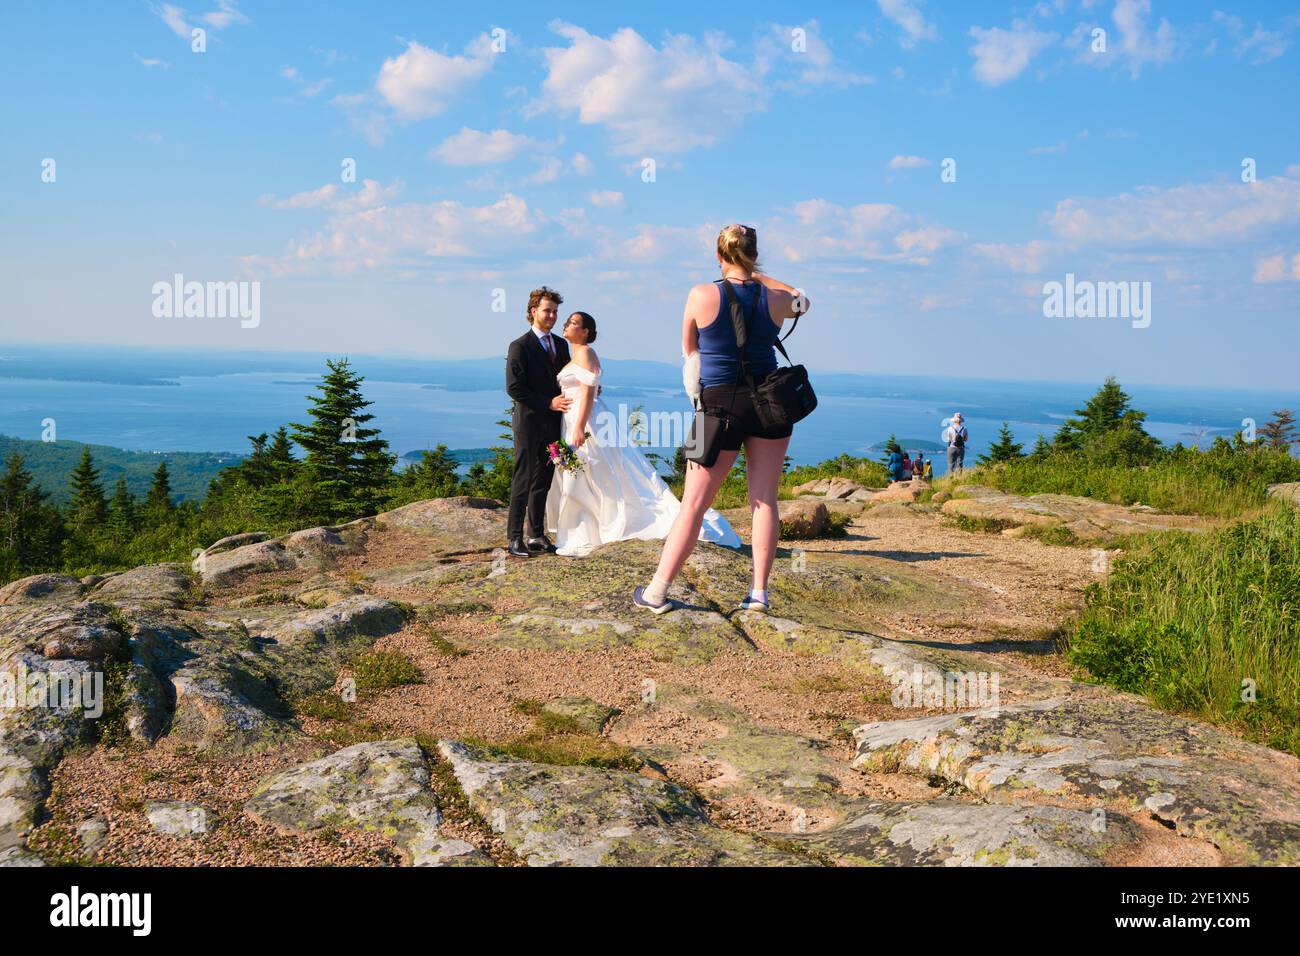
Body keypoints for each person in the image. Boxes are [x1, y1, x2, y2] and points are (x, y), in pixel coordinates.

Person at [634, 223, 811, 615]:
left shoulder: (701, 294)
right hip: (770, 404)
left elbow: (689, 348)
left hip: (717, 407)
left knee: (694, 504)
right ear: (754, 254)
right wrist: (757, 274)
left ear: (719, 256)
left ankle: (657, 591)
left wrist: (740, 271)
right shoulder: (777, 298)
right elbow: (804, 300)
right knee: (764, 500)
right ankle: (759, 595)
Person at [545, 311, 740, 556]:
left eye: (573, 322)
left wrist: (578, 428)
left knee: (591, 473)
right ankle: (586, 529)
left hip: (587, 422)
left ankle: (587, 532)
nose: (566, 324)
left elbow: (586, 393)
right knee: (590, 474)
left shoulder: (584, 352)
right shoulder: (576, 355)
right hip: (577, 418)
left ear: (585, 332)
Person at [504, 287, 572, 558]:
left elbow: (567, 377)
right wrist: (548, 402)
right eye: (547, 310)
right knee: (523, 478)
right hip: (530, 422)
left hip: (554, 423)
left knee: (544, 478)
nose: (552, 316)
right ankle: (514, 538)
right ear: (533, 312)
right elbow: (514, 388)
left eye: (555, 311)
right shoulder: (519, 346)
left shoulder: (561, 344)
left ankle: (536, 534)